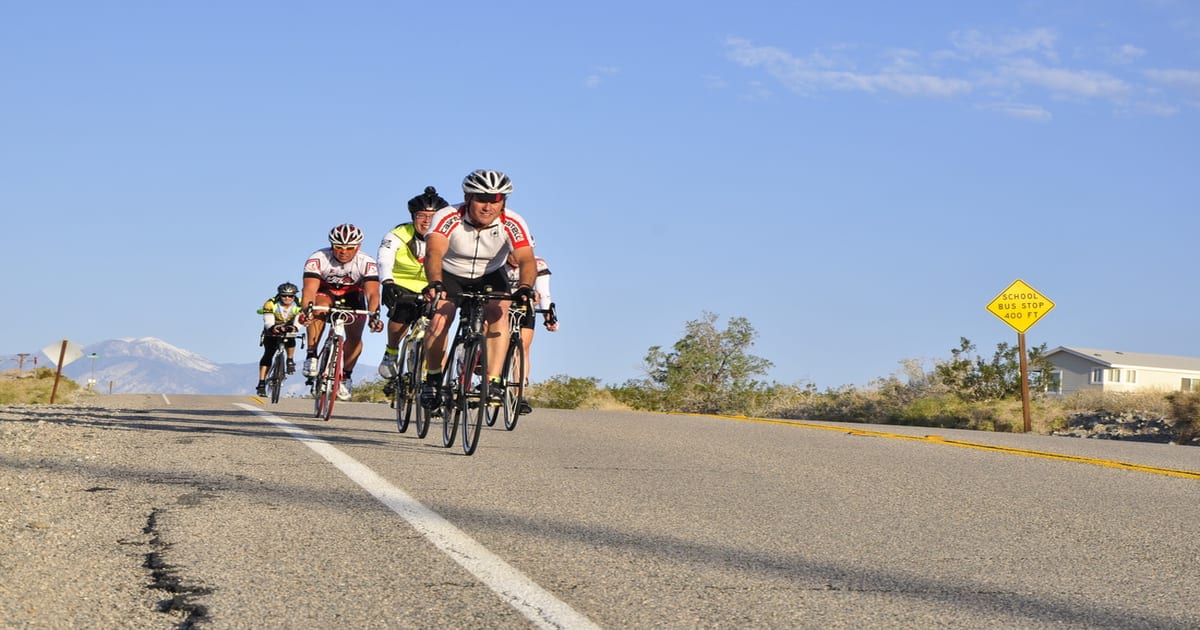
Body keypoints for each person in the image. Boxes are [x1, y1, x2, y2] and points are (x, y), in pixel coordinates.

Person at [420, 169, 537, 409]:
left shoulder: (513, 221)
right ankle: (432, 379)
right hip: (450, 272)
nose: (488, 207)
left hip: (490, 274)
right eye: (481, 199)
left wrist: (525, 287)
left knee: (498, 313)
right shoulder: (447, 216)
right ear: (467, 198)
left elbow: (526, 259)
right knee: (440, 318)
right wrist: (435, 282)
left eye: (495, 200)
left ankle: (492, 381)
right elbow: (434, 251)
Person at [297, 223, 384, 401]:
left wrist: (374, 315)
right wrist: (307, 310)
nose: (344, 252)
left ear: (358, 247)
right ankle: (312, 355)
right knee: (319, 307)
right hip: (325, 292)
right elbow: (309, 291)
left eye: (350, 248)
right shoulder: (318, 258)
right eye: (338, 247)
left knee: (356, 334)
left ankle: (346, 375)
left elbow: (373, 293)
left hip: (353, 294)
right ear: (332, 245)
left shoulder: (366, 262)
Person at [376, 186, 449, 380]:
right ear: (413, 217)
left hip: (433, 284)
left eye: (432, 217)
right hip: (402, 283)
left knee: (440, 323)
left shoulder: (449, 235)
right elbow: (384, 258)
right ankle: (391, 353)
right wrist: (388, 282)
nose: (427, 221)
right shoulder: (399, 233)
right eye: (421, 216)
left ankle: (437, 378)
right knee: (401, 315)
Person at [503, 250, 558, 414]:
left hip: (524, 306)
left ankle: (520, 396)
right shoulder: (496, 259)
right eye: (511, 253)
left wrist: (549, 316)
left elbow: (544, 293)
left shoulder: (538, 263)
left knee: (523, 348)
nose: (515, 257)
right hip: (501, 303)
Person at [255, 282, 303, 397]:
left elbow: (301, 318)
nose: (287, 298)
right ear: (279, 295)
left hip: (290, 325)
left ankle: (290, 360)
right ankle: (261, 383)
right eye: (284, 295)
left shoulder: (300, 303)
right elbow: (268, 321)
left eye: (290, 296)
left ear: (294, 296)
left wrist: (296, 327)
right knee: (268, 354)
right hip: (273, 325)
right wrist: (273, 327)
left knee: (291, 337)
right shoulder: (270, 303)